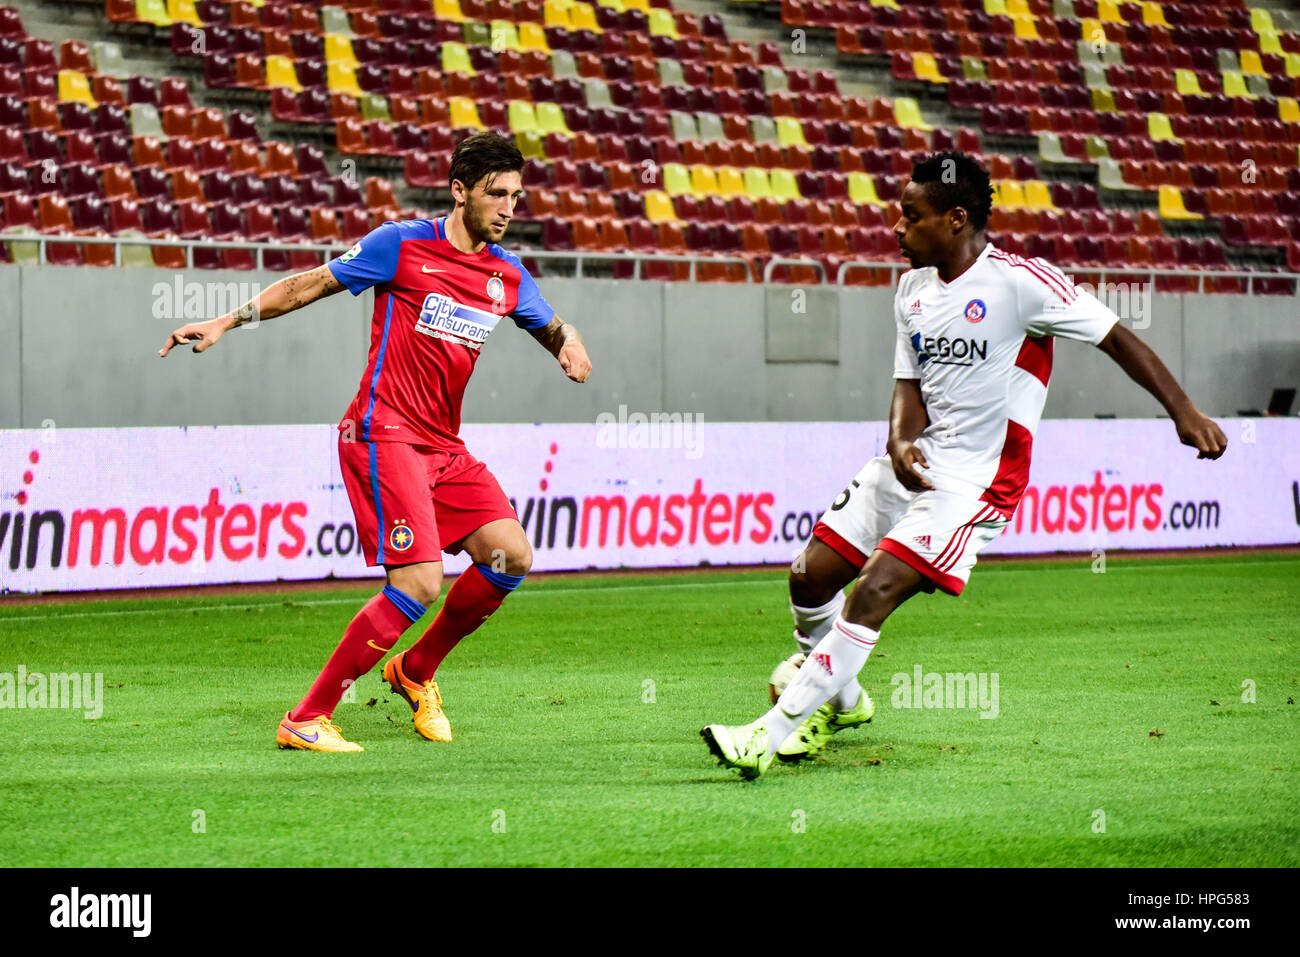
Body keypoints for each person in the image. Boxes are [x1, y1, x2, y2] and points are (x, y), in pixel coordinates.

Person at [701, 150, 1227, 779]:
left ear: (955, 218)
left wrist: (1184, 412)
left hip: (976, 487)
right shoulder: (912, 289)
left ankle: (772, 731)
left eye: (910, 216)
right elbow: (908, 382)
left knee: (873, 590)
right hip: (913, 467)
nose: (896, 228)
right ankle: (841, 700)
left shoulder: (1023, 284)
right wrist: (899, 441)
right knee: (808, 579)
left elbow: (1116, 336)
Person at [160, 132, 592, 752]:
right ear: (460, 191)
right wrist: (228, 319)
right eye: (496, 195)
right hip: (382, 432)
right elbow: (307, 286)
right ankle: (306, 717)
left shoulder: (507, 274)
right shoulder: (402, 244)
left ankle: (414, 671)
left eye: (517, 197)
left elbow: (551, 325)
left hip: (443, 445)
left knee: (509, 557)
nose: (507, 208)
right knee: (418, 582)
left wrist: (569, 343)